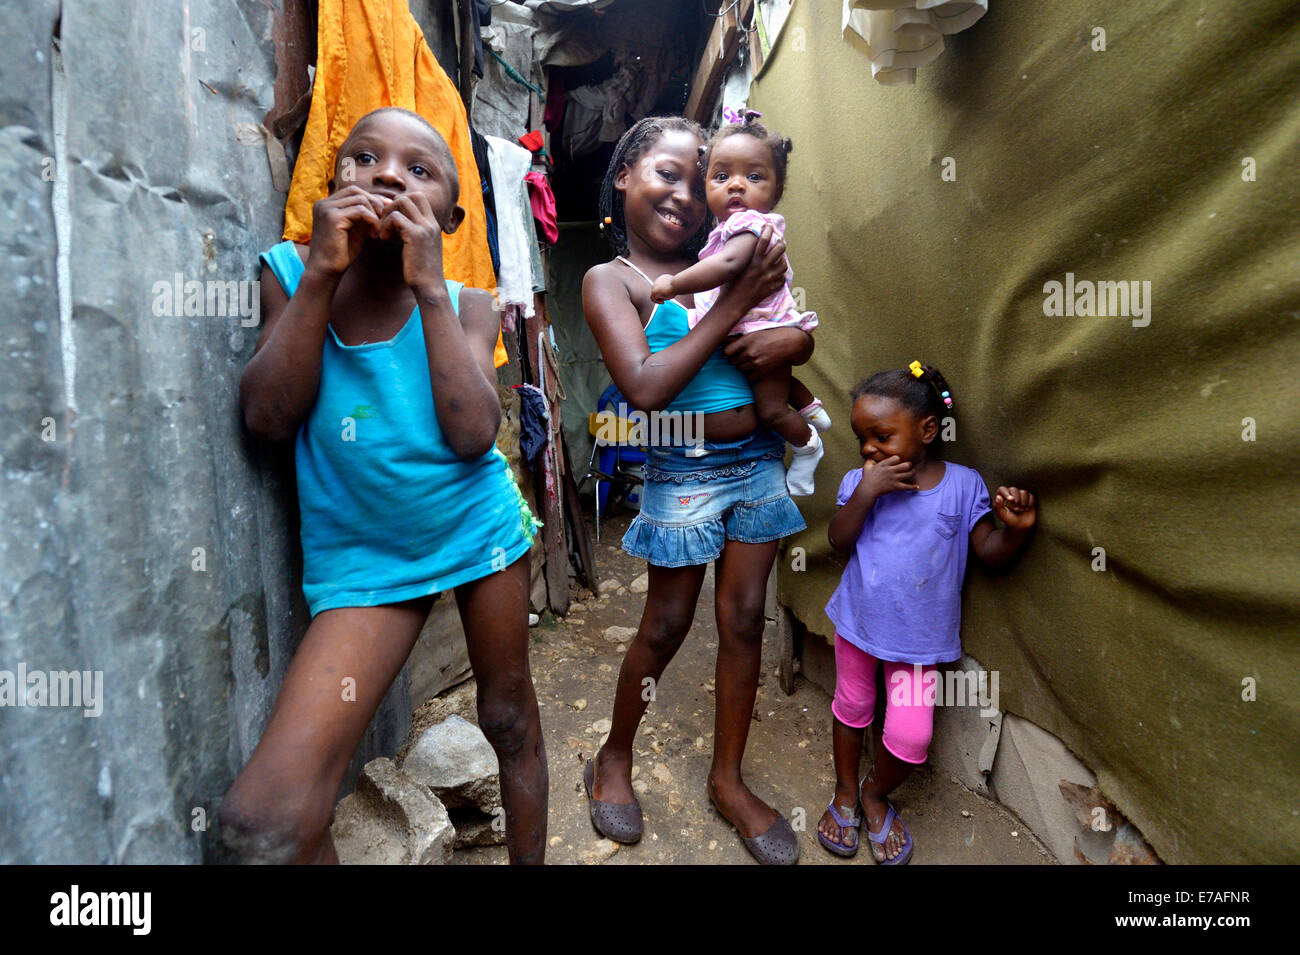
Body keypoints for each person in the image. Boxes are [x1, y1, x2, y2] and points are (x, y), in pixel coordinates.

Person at [218, 107, 548, 865]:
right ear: (331, 185)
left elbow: (471, 435)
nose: (389, 175)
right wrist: (324, 274)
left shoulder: (468, 303)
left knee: (508, 719)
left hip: (475, 526)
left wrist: (429, 287)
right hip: (366, 558)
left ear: (450, 217)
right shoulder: (291, 274)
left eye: (419, 170)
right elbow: (268, 415)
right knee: (263, 822)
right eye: (364, 158)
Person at [581, 115, 814, 865]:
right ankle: (613, 757)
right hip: (682, 474)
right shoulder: (612, 282)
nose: (687, 194)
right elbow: (645, 391)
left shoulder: (728, 259)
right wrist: (731, 301)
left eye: (700, 178)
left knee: (743, 617)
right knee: (666, 621)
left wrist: (797, 340)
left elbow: (778, 340)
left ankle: (727, 779)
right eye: (668, 174)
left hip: (756, 462)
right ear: (624, 179)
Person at [815, 363, 1037, 863]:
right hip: (857, 622)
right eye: (861, 439)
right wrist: (867, 493)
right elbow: (837, 539)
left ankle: (875, 793)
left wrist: (1016, 530)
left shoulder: (962, 485)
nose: (869, 449)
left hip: (921, 642)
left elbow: (989, 554)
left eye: (882, 436)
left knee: (911, 736)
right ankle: (846, 792)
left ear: (928, 430)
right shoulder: (859, 481)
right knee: (852, 707)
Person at [648, 110, 829, 496]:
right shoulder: (727, 231)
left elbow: (726, 267)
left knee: (771, 409)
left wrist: (673, 283)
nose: (736, 186)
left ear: (776, 191)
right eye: (720, 176)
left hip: (758, 335)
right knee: (758, 374)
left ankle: (808, 445)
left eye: (754, 177)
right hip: (692, 449)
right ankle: (810, 405)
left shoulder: (748, 226)